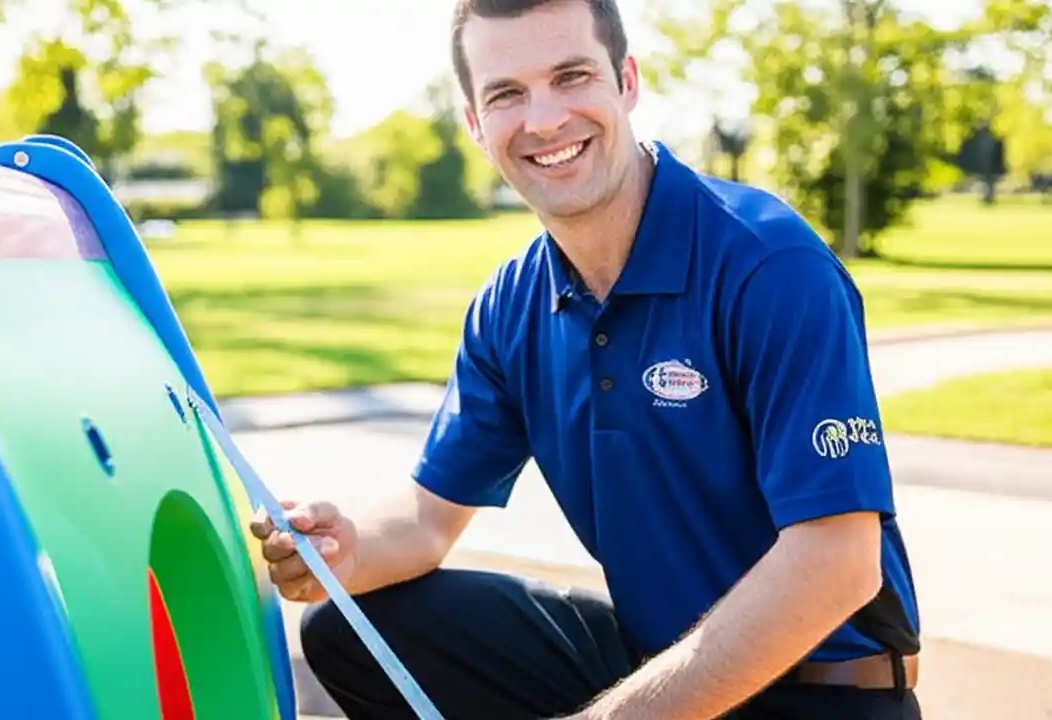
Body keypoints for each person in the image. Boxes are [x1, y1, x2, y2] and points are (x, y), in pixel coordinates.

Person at [248, 0, 923, 717]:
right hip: (653, 662)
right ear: (476, 124)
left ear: (626, 82)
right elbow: (424, 519)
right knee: (351, 628)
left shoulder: (767, 264)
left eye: (571, 76)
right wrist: (346, 550)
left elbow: (838, 564)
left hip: (819, 693)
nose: (542, 120)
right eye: (506, 94)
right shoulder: (510, 305)